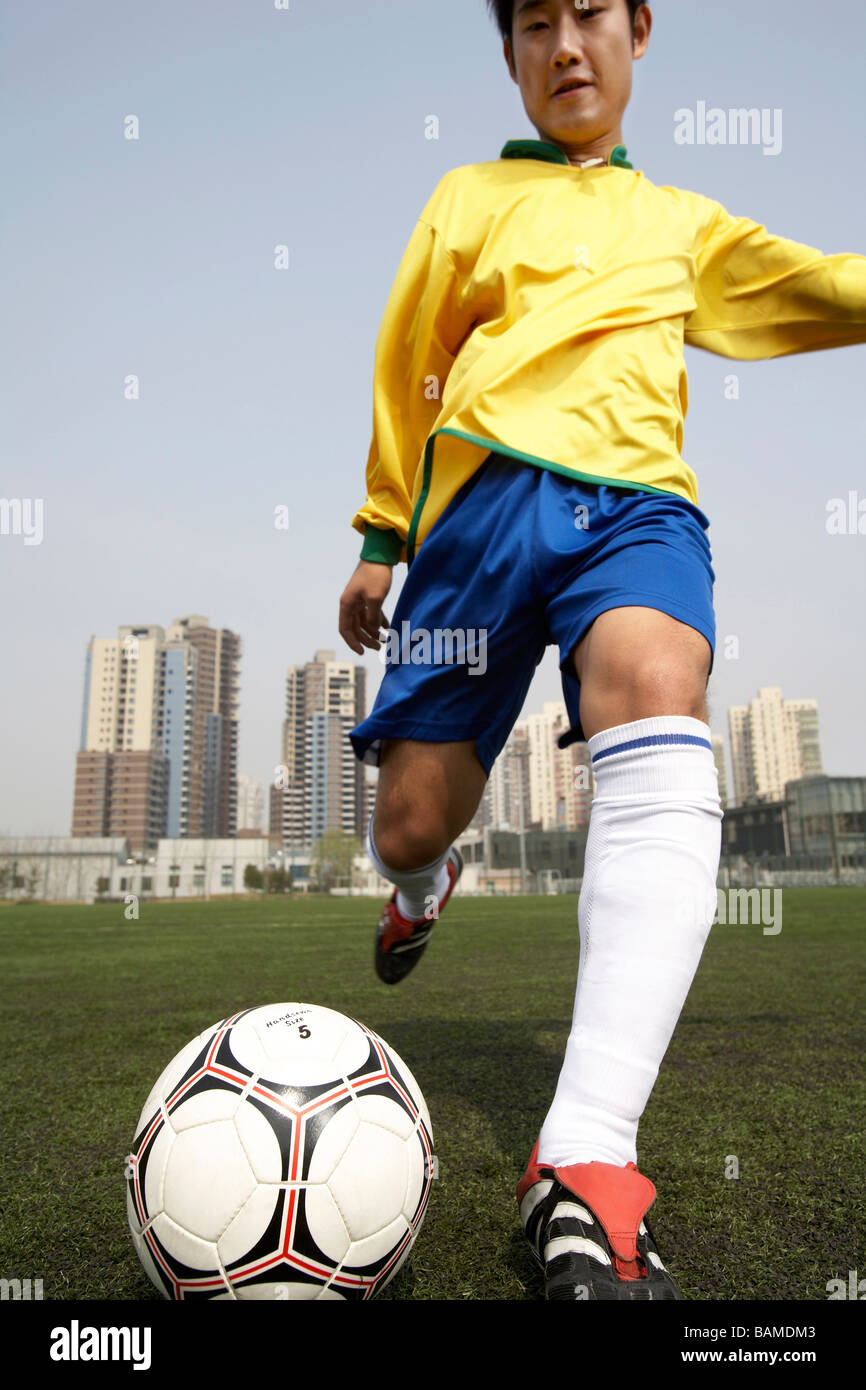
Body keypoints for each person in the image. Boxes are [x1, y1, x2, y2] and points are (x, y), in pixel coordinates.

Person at [338, 0, 866, 1300]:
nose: (564, 45)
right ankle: (421, 890)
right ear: (510, 53)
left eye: (588, 15)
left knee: (654, 679)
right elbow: (409, 360)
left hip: (632, 503)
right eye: (532, 24)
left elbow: (823, 285)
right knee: (404, 822)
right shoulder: (467, 197)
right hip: (471, 514)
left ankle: (582, 1166)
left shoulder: (680, 224)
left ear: (636, 32)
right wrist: (378, 527)